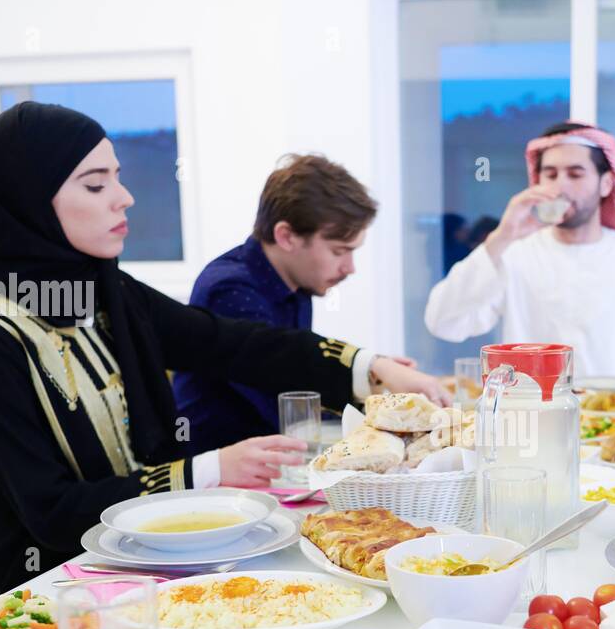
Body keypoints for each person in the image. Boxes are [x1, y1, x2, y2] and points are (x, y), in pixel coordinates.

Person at [0, 103, 445, 592]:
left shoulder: (107, 293)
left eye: (118, 177)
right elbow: (52, 512)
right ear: (28, 200)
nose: (123, 197)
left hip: (165, 549)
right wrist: (212, 468)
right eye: (95, 184)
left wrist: (371, 367)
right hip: (61, 585)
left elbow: (234, 343)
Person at [172, 154, 443, 452]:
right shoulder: (229, 290)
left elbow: (301, 368)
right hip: (224, 475)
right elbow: (289, 403)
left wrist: (374, 378)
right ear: (287, 236)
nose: (350, 267)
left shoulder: (296, 279)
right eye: (340, 251)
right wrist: (371, 386)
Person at [423, 121, 615, 377]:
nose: (560, 185)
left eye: (575, 174)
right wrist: (501, 237)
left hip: (614, 416)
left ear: (606, 184)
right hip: (528, 416)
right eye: (550, 174)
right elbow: (444, 322)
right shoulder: (515, 253)